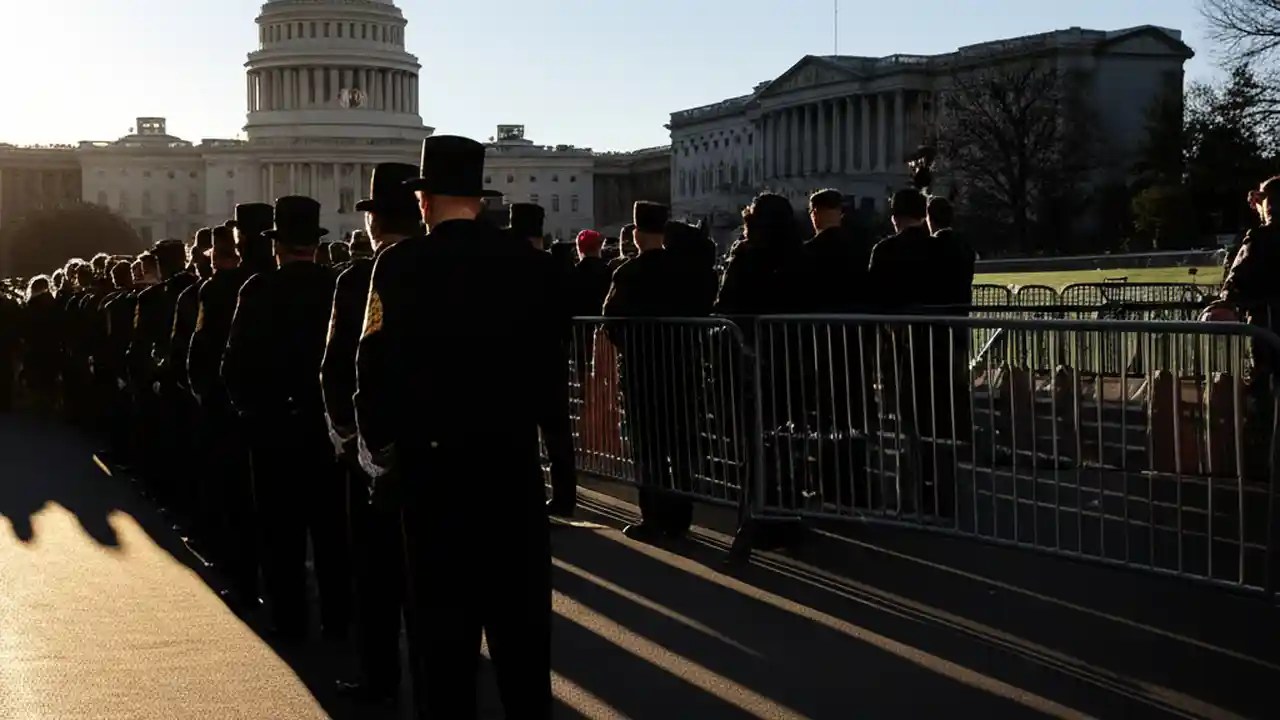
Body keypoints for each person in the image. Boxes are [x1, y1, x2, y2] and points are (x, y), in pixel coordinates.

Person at [356, 135, 563, 719]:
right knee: (522, 639)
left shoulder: (397, 265)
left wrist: (386, 455)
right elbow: (551, 373)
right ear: (479, 198)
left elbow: (370, 372)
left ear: (424, 202)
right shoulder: (534, 267)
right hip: (510, 468)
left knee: (442, 646)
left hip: (433, 472)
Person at [222, 196, 351, 641]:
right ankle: (337, 621)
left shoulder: (257, 290)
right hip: (328, 429)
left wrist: (253, 413)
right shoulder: (337, 286)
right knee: (333, 534)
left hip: (273, 428)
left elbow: (232, 365)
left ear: (276, 245)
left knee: (280, 535)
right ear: (314, 244)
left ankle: (289, 620)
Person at [321, 162, 419, 703]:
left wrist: (348, 436)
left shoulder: (359, 279)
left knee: (377, 574)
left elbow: (339, 367)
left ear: (374, 225)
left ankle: (380, 677)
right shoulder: (449, 269)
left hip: (378, 452)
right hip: (442, 450)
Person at [603, 202, 697, 541]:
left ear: (638, 235)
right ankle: (682, 517)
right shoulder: (686, 270)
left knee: (649, 446)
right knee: (681, 444)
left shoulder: (628, 273)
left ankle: (653, 517)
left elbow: (610, 320)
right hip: (682, 368)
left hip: (643, 370)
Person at [189, 217, 258, 607]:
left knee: (232, 497)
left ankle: (239, 576)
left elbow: (201, 351)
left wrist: (203, 393)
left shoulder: (214, 291)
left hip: (225, 404)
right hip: (275, 408)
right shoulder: (263, 283)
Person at [507, 203, 577, 517]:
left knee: (520, 434)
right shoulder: (553, 266)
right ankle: (565, 496)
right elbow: (566, 313)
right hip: (550, 356)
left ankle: (526, 495)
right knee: (558, 433)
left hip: (516, 359)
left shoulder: (505, 266)